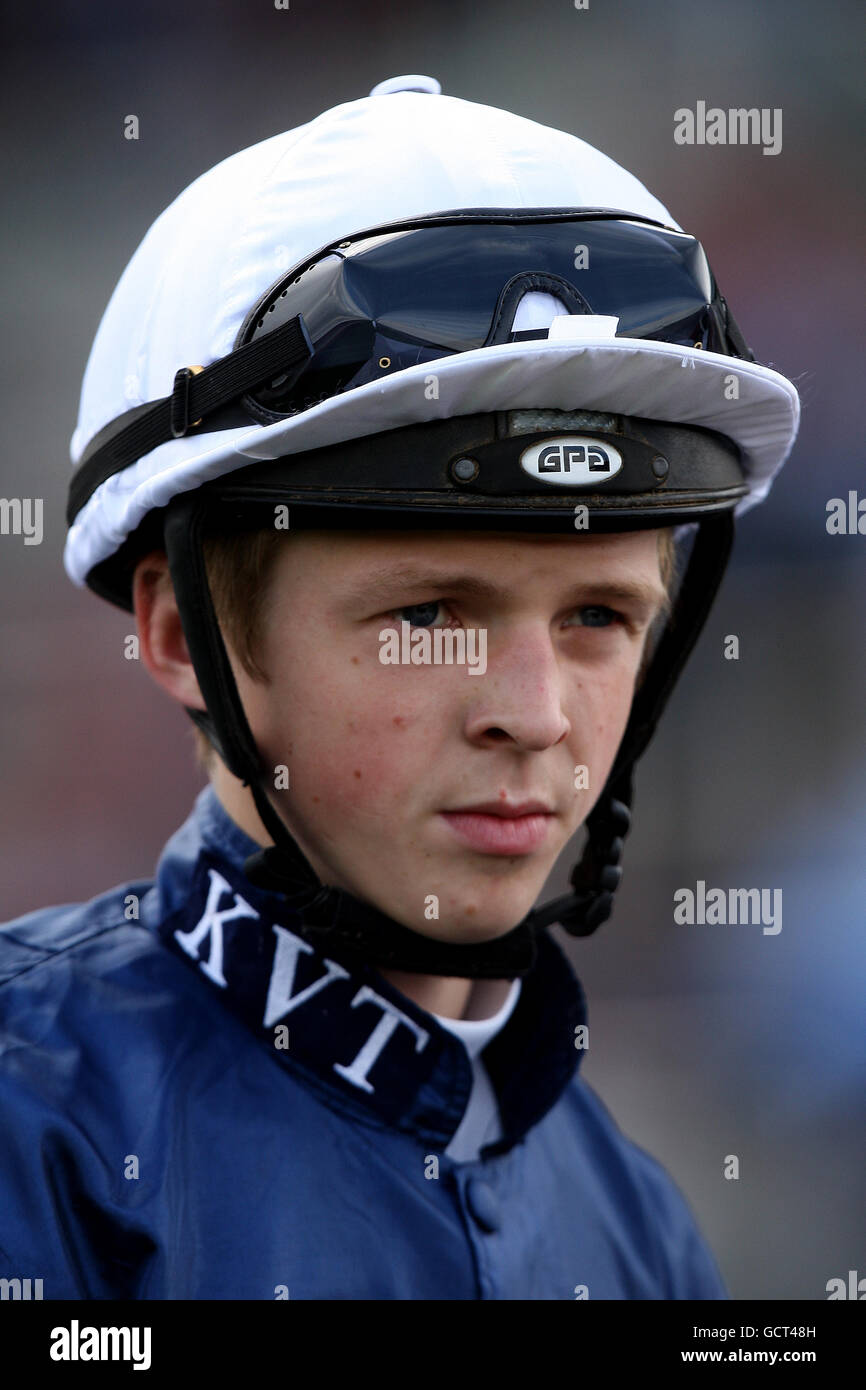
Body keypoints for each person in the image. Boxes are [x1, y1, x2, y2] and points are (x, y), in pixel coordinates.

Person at [0, 74, 799, 1300]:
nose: (532, 715)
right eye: (429, 613)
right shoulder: (26, 1129)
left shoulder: (641, 1227)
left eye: (596, 615)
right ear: (176, 630)